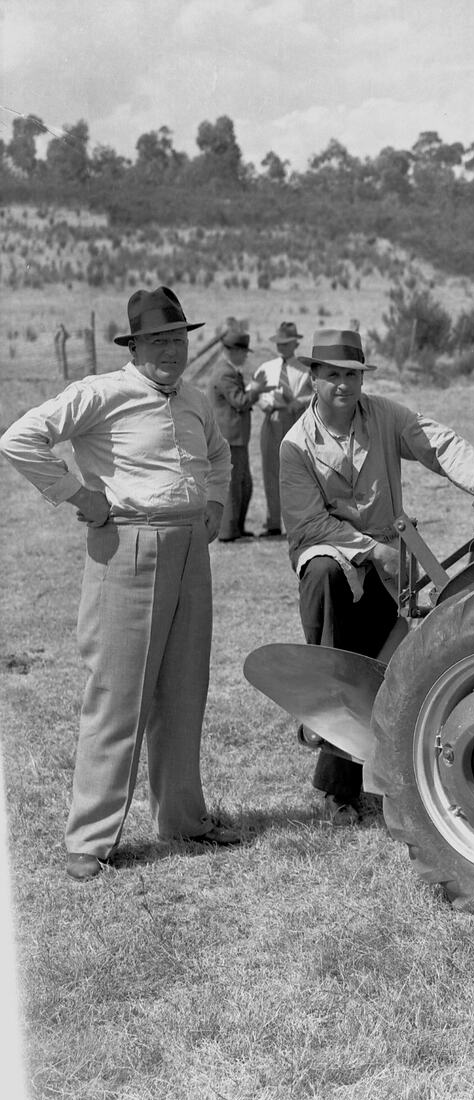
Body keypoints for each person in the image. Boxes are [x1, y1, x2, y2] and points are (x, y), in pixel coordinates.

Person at [0, 286, 241, 881]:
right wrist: (81, 497)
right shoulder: (102, 393)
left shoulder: (193, 399)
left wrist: (212, 505)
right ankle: (89, 840)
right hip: (127, 548)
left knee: (184, 691)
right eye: (157, 340)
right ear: (134, 345)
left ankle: (184, 819)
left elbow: (219, 457)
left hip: (190, 551)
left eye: (178, 338)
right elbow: (19, 439)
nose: (170, 350)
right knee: (117, 695)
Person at [280, 328, 474, 822]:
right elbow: (308, 522)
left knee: (403, 650)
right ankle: (336, 786)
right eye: (332, 376)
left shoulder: (387, 416)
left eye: (352, 375)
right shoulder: (295, 445)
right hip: (332, 555)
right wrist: (370, 549)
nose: (343, 386)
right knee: (336, 630)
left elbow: (439, 445)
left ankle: (430, 770)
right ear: (314, 379)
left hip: (389, 558)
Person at [252, 321, 312, 538]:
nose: (281, 347)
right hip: (272, 420)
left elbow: (315, 395)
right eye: (279, 343)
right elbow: (254, 391)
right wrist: (265, 402)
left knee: (295, 474)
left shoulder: (305, 370)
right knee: (270, 472)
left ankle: (295, 522)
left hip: (295, 422)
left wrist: (297, 402)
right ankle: (273, 523)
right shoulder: (265, 367)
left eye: (286, 343)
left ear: (295, 343)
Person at [210, 329, 266, 542]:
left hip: (235, 437)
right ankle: (228, 532)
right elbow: (240, 401)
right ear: (231, 351)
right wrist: (257, 390)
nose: (245, 356)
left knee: (243, 484)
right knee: (234, 485)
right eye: (242, 351)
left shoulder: (229, 371)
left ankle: (236, 529)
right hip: (229, 438)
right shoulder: (225, 372)